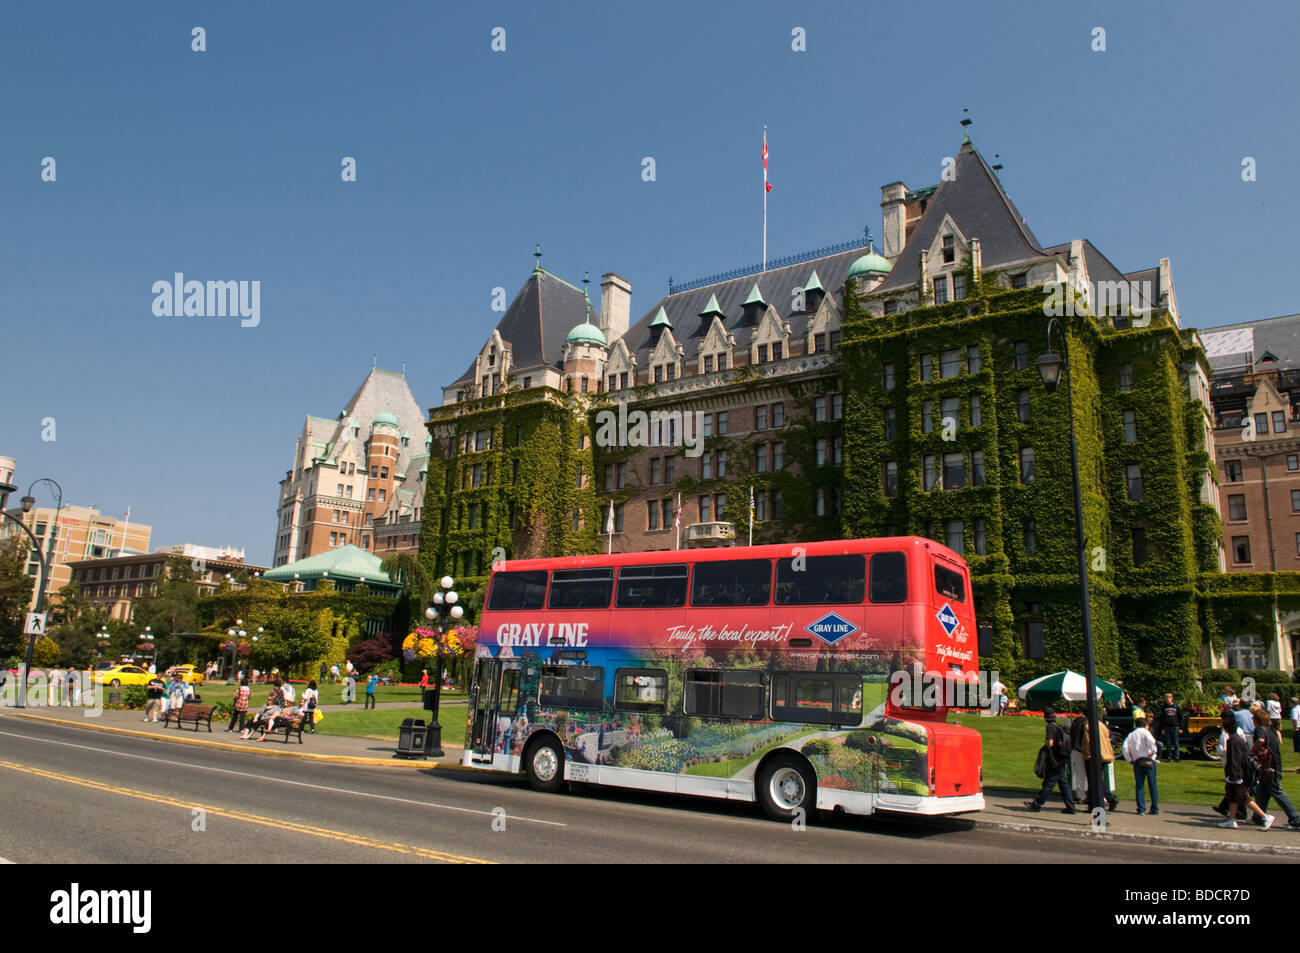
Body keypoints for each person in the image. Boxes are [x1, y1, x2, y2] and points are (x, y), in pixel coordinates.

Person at [1218, 712, 1274, 830]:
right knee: (1232, 797)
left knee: (1244, 798)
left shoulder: (1233, 741)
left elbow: (1235, 760)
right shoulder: (1238, 739)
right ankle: (1231, 820)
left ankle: (1265, 816)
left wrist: (1234, 776)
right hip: (1238, 774)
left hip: (1237, 775)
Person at [1250, 711, 1300, 829]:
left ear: (1256, 720)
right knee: (1262, 791)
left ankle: (1295, 818)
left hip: (1269, 767)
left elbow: (1261, 740)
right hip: (1273, 766)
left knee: (1277, 791)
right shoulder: (1270, 730)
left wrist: (1252, 751)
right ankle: (1258, 817)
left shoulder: (1260, 730)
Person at [1026, 711, 1076, 813]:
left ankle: (1038, 803)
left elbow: (1050, 743)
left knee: (1049, 782)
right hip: (1061, 757)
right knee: (1063, 784)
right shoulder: (1059, 726)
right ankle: (1070, 806)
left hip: (1054, 758)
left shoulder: (1050, 727)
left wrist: (1046, 746)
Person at [1082, 712, 1119, 812]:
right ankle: (1092, 805)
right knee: (1096, 779)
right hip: (1104, 755)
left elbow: (1087, 742)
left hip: (1093, 756)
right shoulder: (1102, 726)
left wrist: (1086, 754)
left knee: (1095, 780)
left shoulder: (1088, 726)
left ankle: (1110, 799)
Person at [1122, 717, 1159, 815]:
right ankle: (1154, 808)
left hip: (1137, 761)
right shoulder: (1146, 732)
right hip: (1148, 759)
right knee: (1152, 784)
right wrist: (1152, 752)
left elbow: (1125, 748)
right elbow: (1152, 743)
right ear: (1145, 724)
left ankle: (1141, 808)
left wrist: (1129, 759)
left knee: (1139, 785)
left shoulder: (1131, 735)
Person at [1156, 693, 1181, 762]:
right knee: (1168, 743)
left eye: (1169, 698)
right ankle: (1169, 756)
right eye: (1166, 698)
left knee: (1176, 743)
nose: (1168, 700)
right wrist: (1163, 728)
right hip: (1167, 727)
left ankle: (1176, 757)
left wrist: (1180, 727)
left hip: (1175, 727)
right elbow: (1162, 718)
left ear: (1172, 698)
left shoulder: (1176, 706)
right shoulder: (1164, 707)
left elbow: (1180, 717)